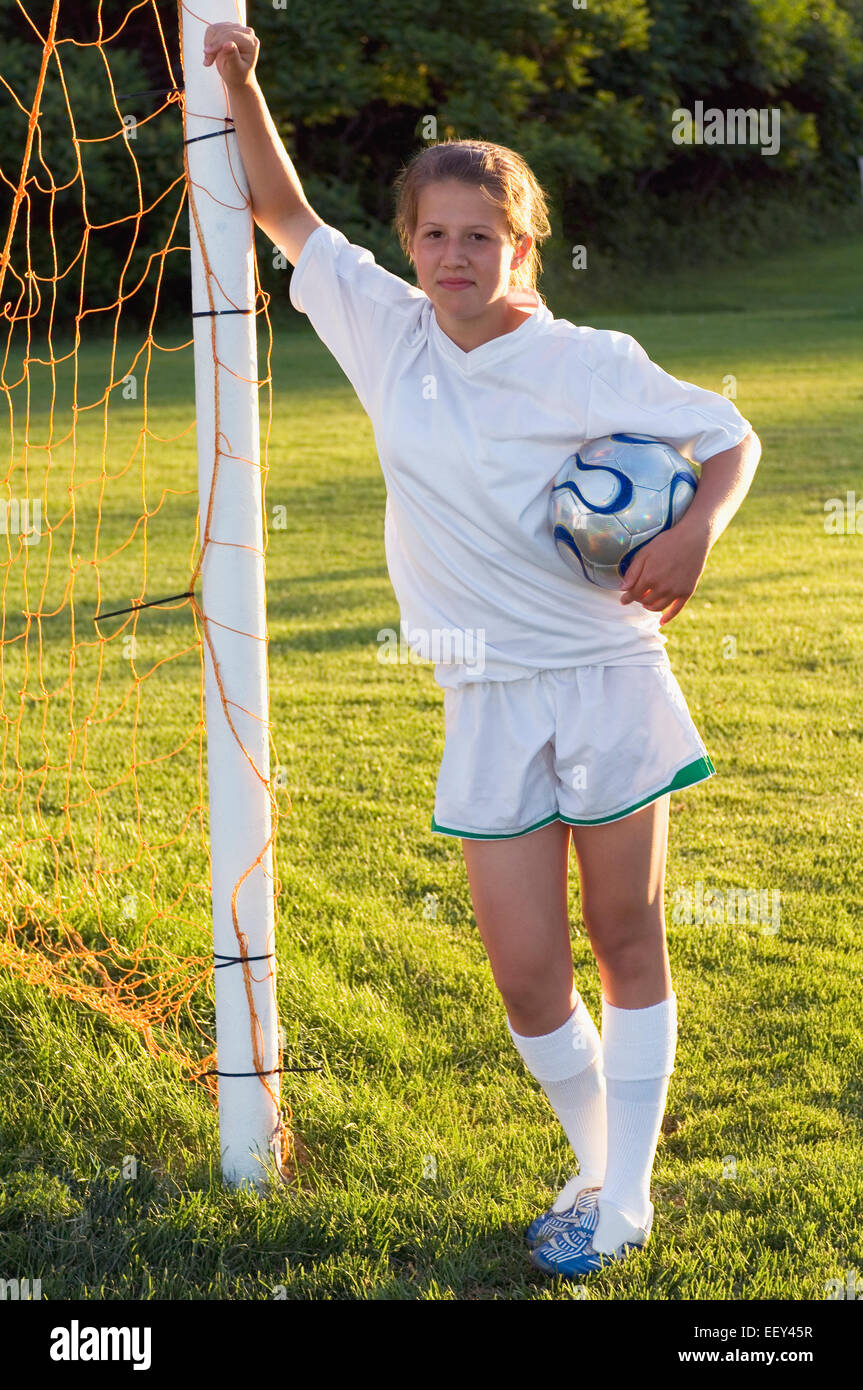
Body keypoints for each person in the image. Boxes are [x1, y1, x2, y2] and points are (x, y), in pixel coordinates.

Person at [203, 22, 761, 1278]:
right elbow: (283, 212)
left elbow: (728, 436)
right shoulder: (385, 332)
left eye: (481, 236)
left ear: (523, 245)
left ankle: (624, 1199)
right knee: (522, 976)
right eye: (434, 235)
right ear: (410, 244)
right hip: (485, 696)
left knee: (624, 935)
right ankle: (597, 1159)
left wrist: (696, 538)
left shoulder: (581, 362)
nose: (455, 256)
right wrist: (239, 82)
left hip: (606, 674)